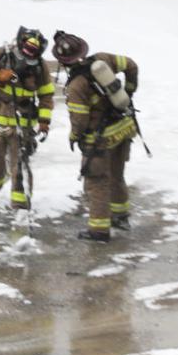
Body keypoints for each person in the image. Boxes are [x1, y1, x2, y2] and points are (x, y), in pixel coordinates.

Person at [54, 31, 140, 241]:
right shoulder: (104, 60)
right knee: (117, 175)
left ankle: (99, 230)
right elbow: (131, 65)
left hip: (99, 140)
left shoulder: (76, 87)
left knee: (97, 182)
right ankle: (120, 217)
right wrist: (129, 91)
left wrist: (74, 137)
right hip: (123, 129)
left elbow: (80, 121)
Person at [0, 26, 55, 211]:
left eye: (34, 52)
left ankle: (20, 203)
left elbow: (46, 95)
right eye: (27, 48)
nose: (29, 54)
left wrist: (44, 121)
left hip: (21, 126)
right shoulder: (1, 55)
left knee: (20, 165)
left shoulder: (40, 68)